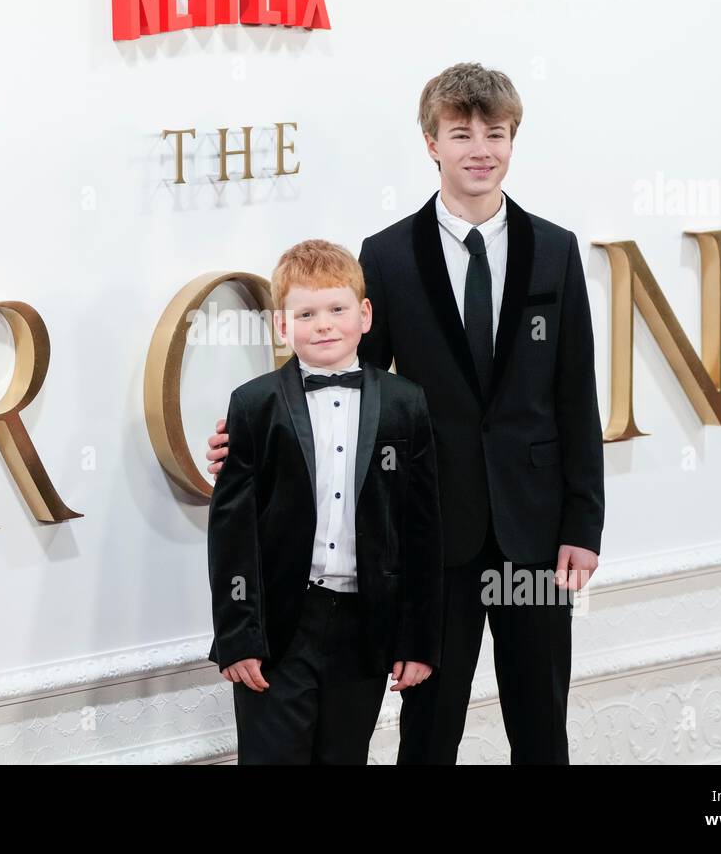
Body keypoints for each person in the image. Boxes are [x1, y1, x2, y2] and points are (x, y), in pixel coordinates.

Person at [207, 63, 604, 764]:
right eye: (462, 133)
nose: (480, 149)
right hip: (431, 537)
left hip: (536, 533)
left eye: (495, 133)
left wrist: (582, 522)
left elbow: (575, 394)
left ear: (513, 140)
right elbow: (350, 376)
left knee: (542, 723)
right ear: (432, 142)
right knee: (429, 729)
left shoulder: (556, 250)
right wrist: (258, 434)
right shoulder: (387, 256)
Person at [206, 238, 443, 764]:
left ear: (364, 315)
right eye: (306, 313)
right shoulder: (254, 404)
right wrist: (238, 636)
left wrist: (418, 640)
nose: (324, 324)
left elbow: (422, 529)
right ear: (281, 326)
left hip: (365, 627)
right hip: (279, 629)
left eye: (337, 309)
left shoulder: (407, 403)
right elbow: (231, 533)